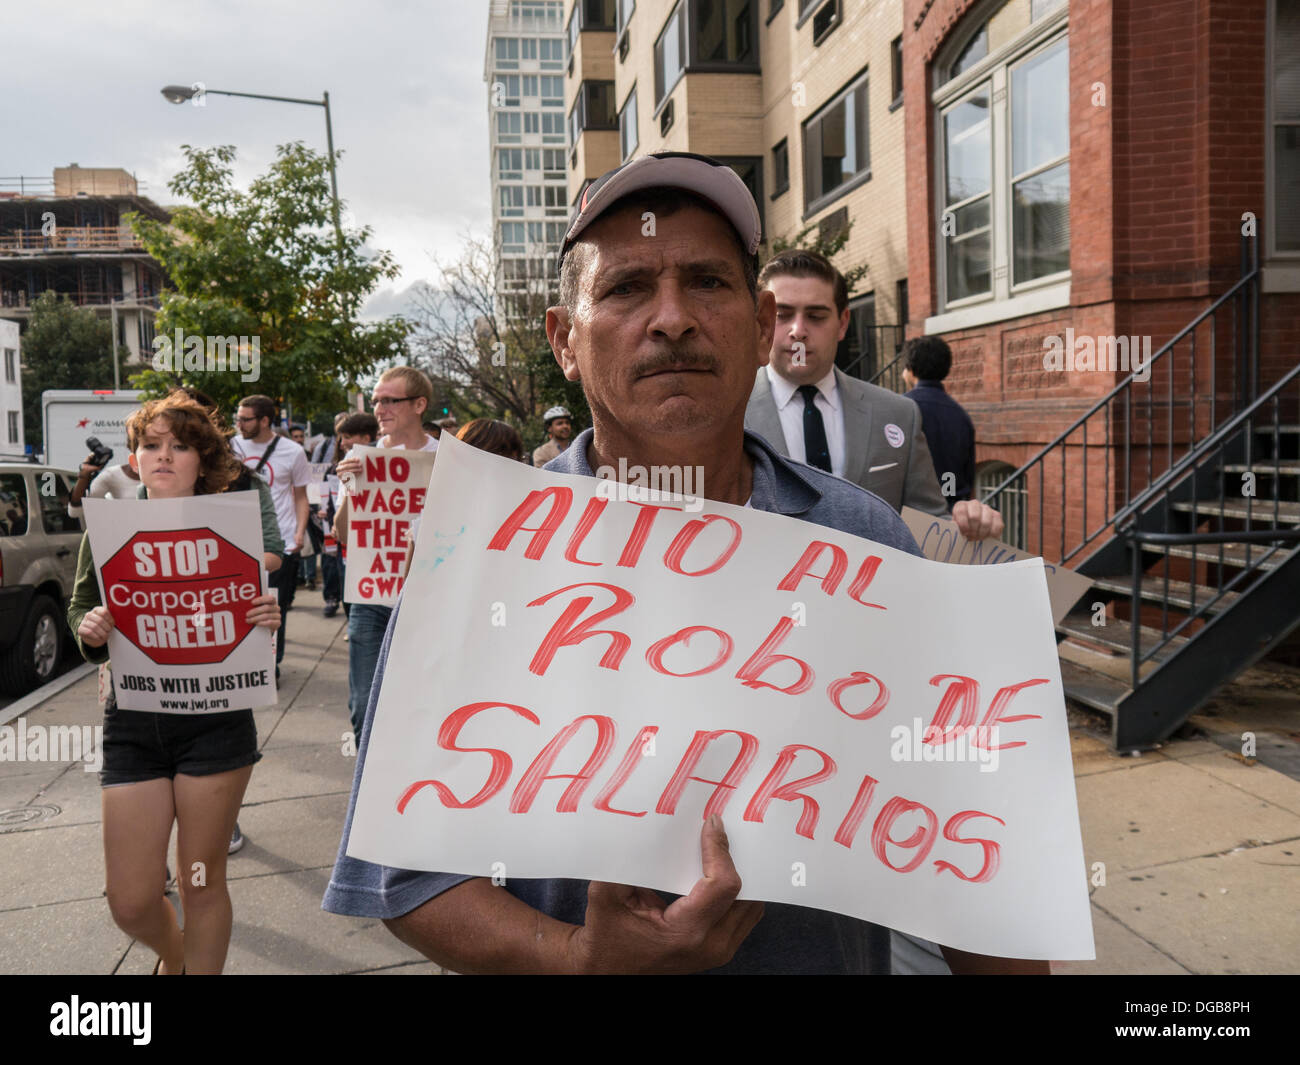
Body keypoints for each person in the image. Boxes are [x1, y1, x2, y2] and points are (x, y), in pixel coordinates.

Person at [322, 151, 1047, 975]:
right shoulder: (473, 552)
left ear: (763, 320)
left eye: (706, 281)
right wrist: (581, 958)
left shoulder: (863, 537)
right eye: (627, 288)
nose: (672, 318)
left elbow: (967, 842)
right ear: (565, 339)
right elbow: (403, 875)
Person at [67, 392, 281, 974]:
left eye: (180, 445)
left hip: (217, 721)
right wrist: (88, 628)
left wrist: (267, 617)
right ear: (134, 457)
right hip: (134, 721)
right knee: (132, 900)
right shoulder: (107, 530)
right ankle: (176, 957)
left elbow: (257, 605)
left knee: (201, 881)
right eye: (151, 445)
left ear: (201, 460)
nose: (163, 456)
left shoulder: (229, 524)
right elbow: (81, 608)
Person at [745, 249, 1001, 541]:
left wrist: (969, 524)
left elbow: (928, 524)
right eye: (783, 315)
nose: (798, 330)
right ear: (763, 320)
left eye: (816, 316)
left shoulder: (898, 414)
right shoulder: (728, 411)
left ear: (842, 323)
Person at [333, 368, 437, 743]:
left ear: (418, 404)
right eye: (376, 400)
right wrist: (350, 488)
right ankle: (368, 789)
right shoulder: (365, 460)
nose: (378, 408)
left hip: (427, 600)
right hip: (371, 597)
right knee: (365, 707)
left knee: (422, 702)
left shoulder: (446, 459)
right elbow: (343, 534)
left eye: (389, 400)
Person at [231, 395, 311, 678]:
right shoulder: (230, 448)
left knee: (275, 607)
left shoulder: (293, 451)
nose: (239, 424)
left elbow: (301, 496)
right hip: (237, 543)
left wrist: (300, 532)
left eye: (245, 419)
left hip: (281, 542)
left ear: (265, 420)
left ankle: (271, 665)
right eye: (237, 418)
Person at [902, 335, 978, 515]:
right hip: (952, 513)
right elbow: (968, 476)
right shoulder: (961, 416)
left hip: (911, 513)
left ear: (911, 370)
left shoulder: (901, 409)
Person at [322, 412, 378, 619]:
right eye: (341, 437)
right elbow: (341, 518)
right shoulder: (348, 461)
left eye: (347, 437)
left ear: (365, 438)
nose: (342, 443)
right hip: (354, 549)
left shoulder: (391, 456)